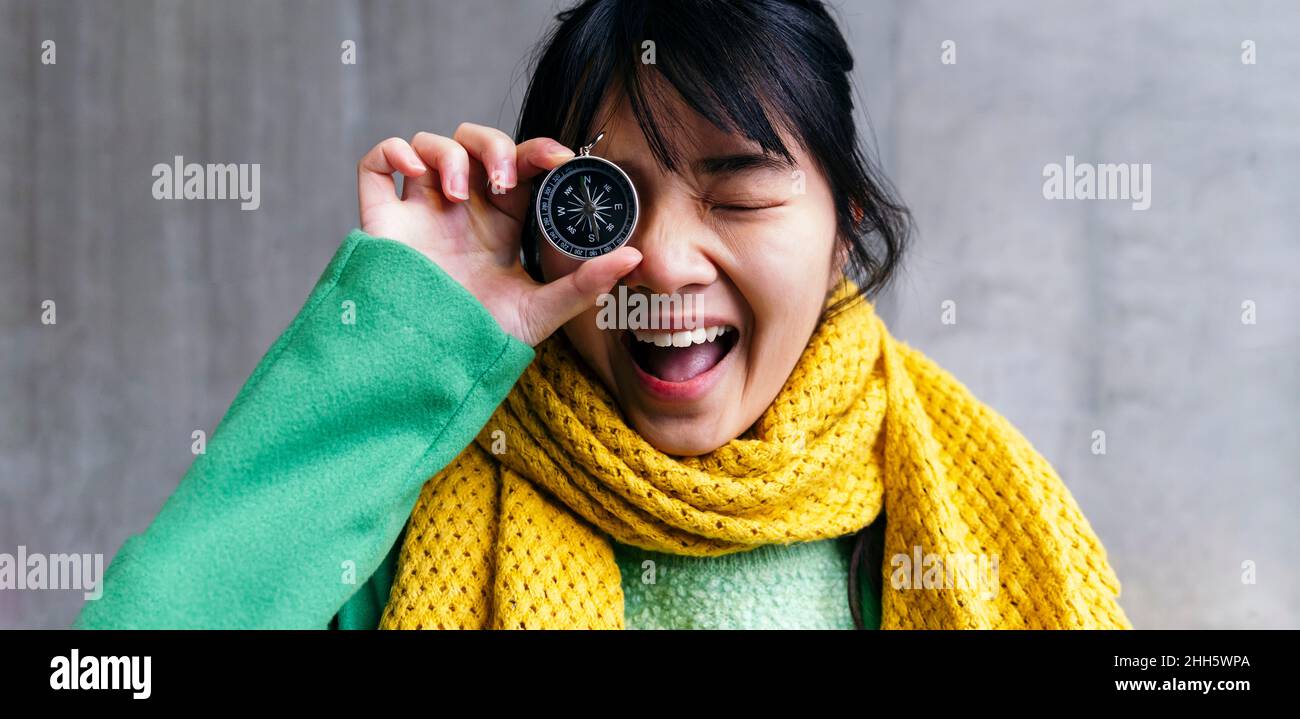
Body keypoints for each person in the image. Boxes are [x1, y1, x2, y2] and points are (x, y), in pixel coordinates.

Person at [75, 0, 1130, 630]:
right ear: (540, 218)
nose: (663, 261)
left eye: (738, 189)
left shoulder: (951, 504)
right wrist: (401, 336)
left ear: (844, 226)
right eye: (605, 201)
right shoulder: (399, 494)